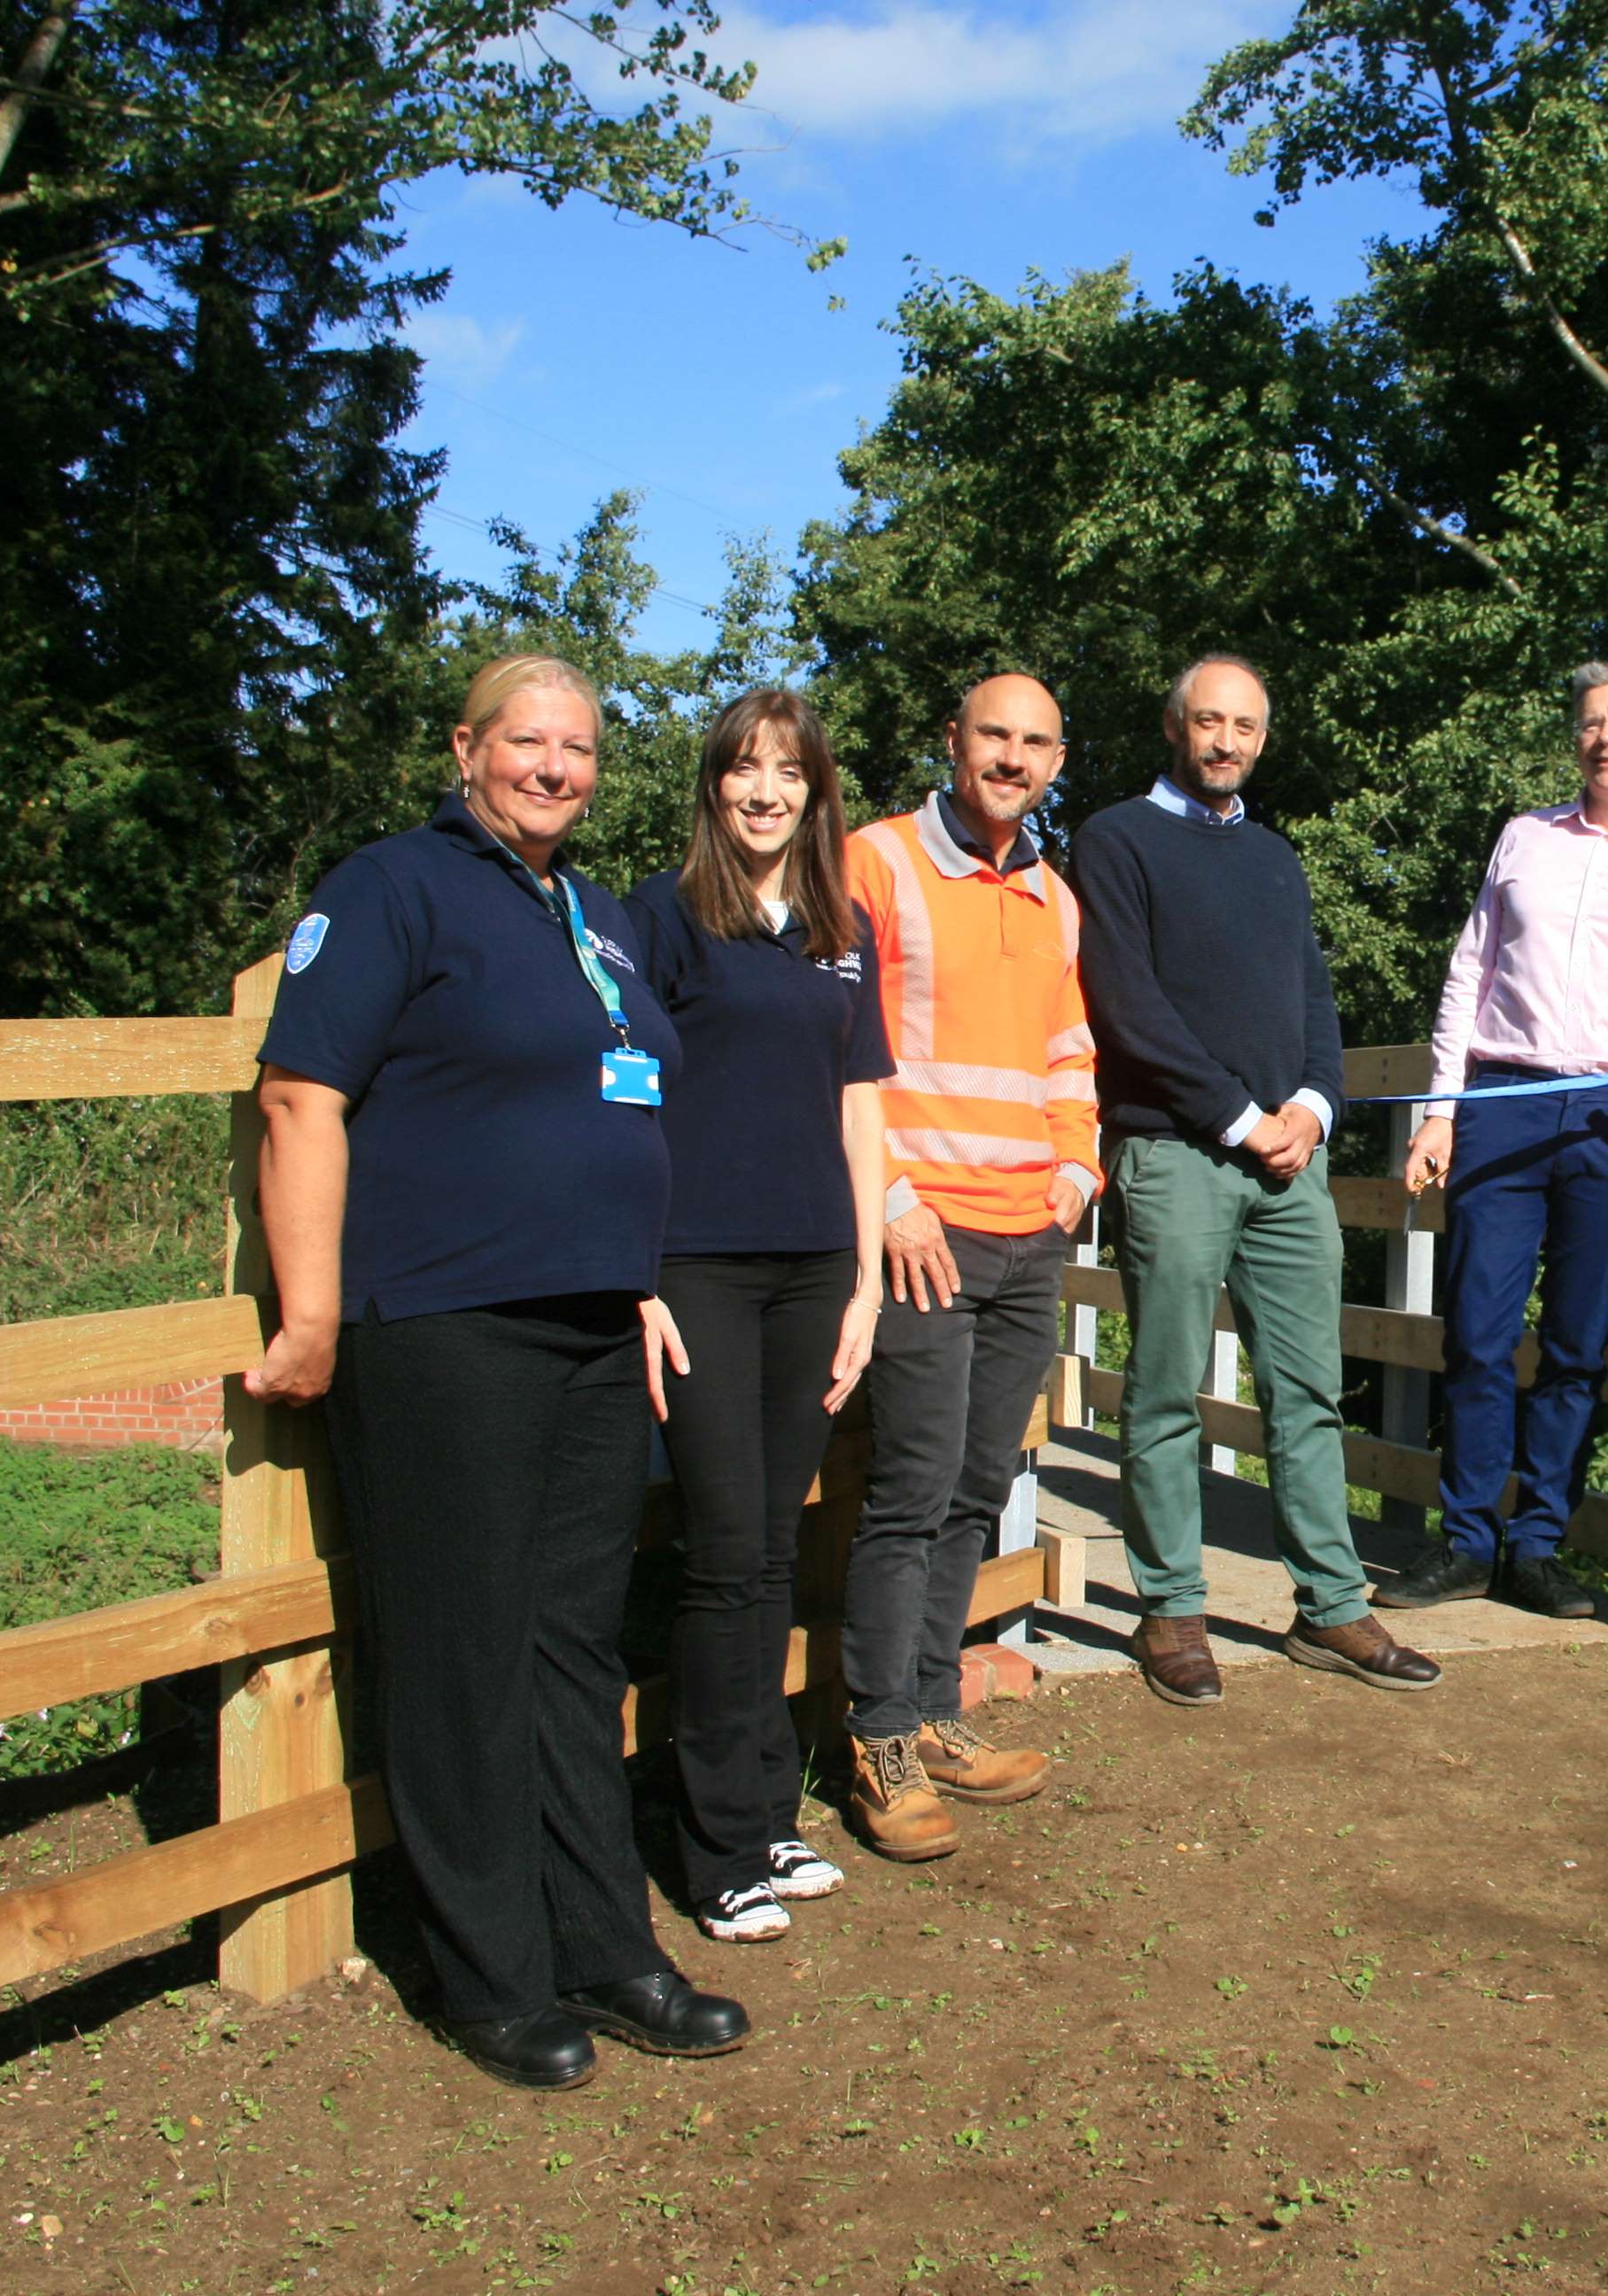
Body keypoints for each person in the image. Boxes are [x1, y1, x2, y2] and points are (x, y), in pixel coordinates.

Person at [246, 653, 749, 2091]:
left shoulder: (593, 913)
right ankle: (489, 1971)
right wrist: (311, 1307)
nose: (555, 767)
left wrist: (637, 1278)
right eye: (528, 740)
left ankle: (603, 1941)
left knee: (570, 1647)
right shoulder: (393, 888)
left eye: (579, 748)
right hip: (444, 1319)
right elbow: (301, 1095)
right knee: (462, 1645)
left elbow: (616, 1101)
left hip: (594, 1328)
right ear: (465, 747)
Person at [1070, 654, 1442, 1703]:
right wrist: (1240, 1117)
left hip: (1292, 1162)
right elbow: (1127, 1008)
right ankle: (1171, 1609)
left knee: (1308, 1391)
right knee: (1164, 1390)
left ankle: (1331, 1607)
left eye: (1244, 725)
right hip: (1180, 1151)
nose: (1225, 741)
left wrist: (1314, 1109)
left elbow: (1313, 1002)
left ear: (1262, 738)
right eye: (1207, 722)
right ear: (1173, 726)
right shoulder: (1116, 840)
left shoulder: (1278, 859)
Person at [1381, 662, 1608, 1620]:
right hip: (1502, 1101)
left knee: (1580, 1343)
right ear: (1577, 738)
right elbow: (1469, 974)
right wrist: (1440, 1108)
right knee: (1476, 1331)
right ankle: (1465, 1539)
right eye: (1592, 724)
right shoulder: (1524, 838)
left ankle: (1538, 1543)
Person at [625, 690, 889, 1943]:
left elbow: (860, 1107)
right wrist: (636, 1269)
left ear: (817, 790)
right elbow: (620, 1094)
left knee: (778, 1549)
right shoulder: (661, 919)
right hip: (701, 1269)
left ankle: (765, 1814)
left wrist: (868, 1281)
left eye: (789, 771)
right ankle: (716, 1845)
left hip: (813, 1269)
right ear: (713, 787)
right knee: (727, 1552)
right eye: (744, 769)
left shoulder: (845, 928)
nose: (766, 791)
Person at [831, 672, 1084, 1861]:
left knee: (979, 1484)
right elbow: (836, 1048)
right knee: (912, 1488)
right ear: (953, 741)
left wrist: (1077, 1173)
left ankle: (935, 1710)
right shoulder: (874, 863)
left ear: (1055, 760)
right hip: (921, 1232)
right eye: (995, 734)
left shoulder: (1053, 895)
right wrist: (886, 1201)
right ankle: (877, 1732)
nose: (1013, 757)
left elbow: (1069, 1049)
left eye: (1035, 742)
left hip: (1028, 1234)